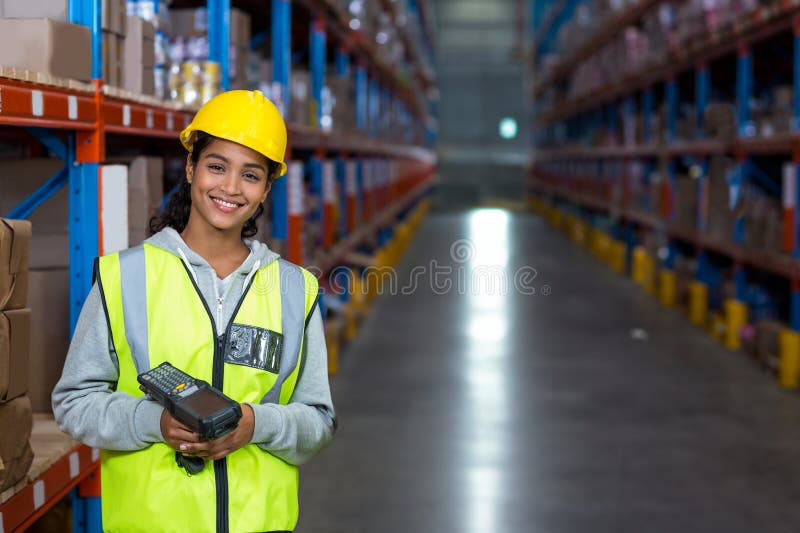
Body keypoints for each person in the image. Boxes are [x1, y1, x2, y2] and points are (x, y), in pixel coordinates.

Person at [52, 90, 336, 533]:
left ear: (266, 190)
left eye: (251, 175)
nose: (229, 188)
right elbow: (73, 404)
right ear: (190, 168)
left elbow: (317, 421)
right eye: (216, 166)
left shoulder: (293, 289)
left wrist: (254, 424)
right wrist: (155, 423)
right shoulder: (124, 276)